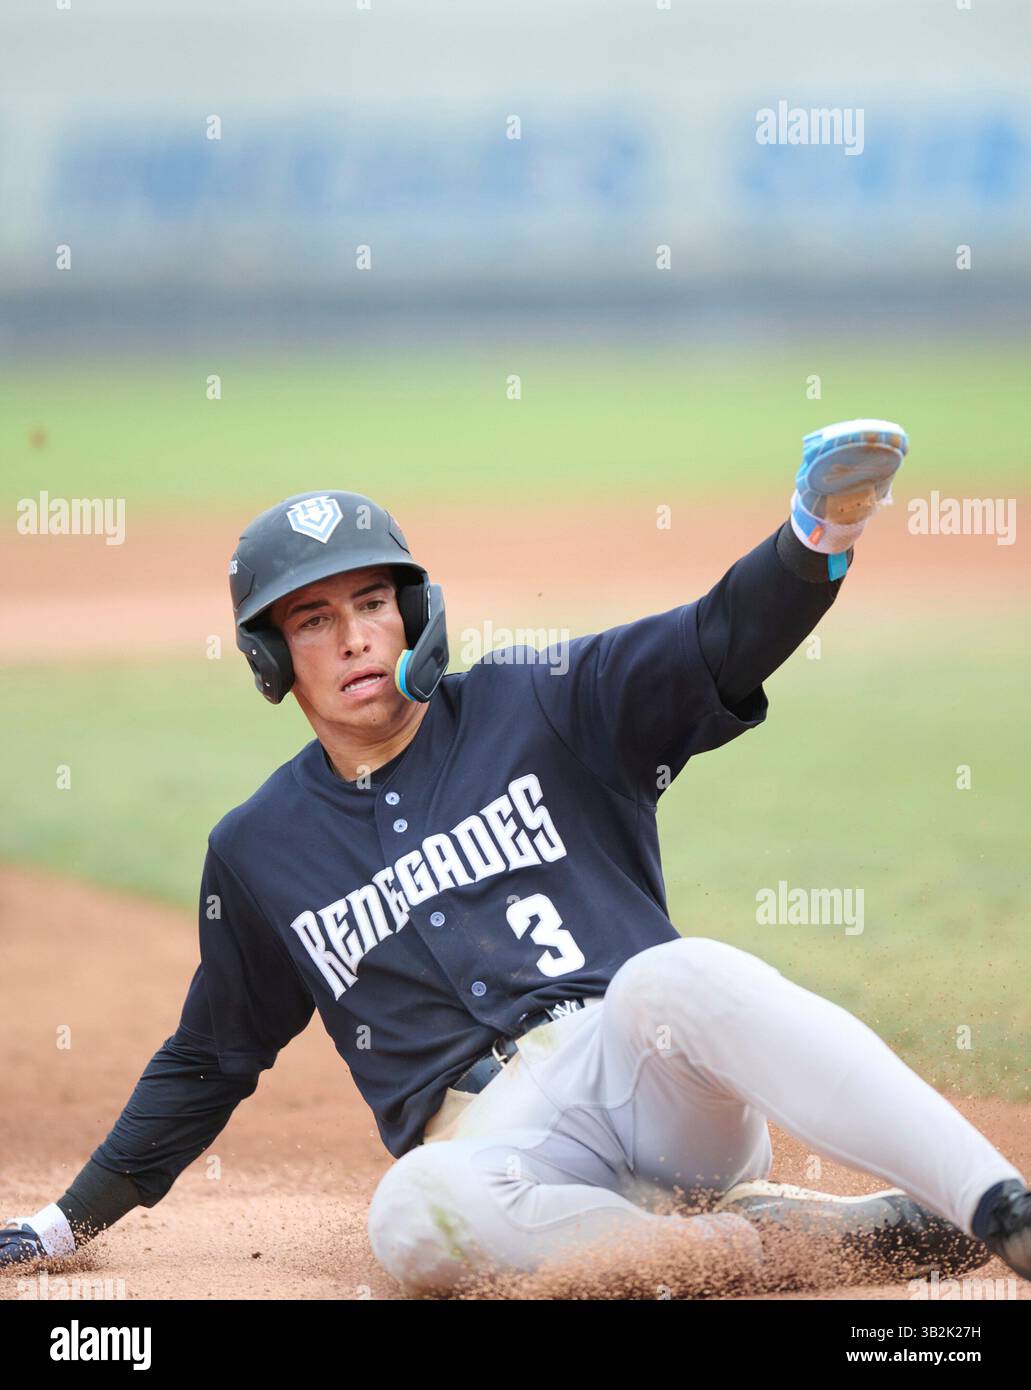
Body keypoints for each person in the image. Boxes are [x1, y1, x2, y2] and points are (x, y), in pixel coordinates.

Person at [3, 422, 1029, 1298]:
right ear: (272, 659)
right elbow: (208, 1057)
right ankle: (763, 1247)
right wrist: (60, 1224)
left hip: (645, 1079)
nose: (355, 636)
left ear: (414, 612)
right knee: (407, 1210)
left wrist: (819, 533)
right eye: (313, 619)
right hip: (498, 1157)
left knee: (675, 972)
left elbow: (718, 638)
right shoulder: (258, 848)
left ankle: (993, 1202)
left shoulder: (543, 698)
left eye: (371, 603)